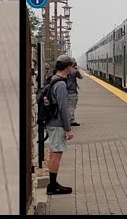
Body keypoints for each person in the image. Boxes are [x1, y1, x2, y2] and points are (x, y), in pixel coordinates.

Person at [40, 55, 76, 195]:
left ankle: (53, 183)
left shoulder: (53, 79)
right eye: (71, 66)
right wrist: (68, 129)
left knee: (55, 151)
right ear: (67, 67)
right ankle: (52, 186)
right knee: (56, 153)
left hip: (51, 122)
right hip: (57, 124)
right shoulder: (60, 84)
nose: (72, 69)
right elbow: (63, 108)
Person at [65, 58, 84, 126]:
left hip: (65, 90)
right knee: (71, 107)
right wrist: (77, 69)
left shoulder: (64, 70)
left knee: (69, 106)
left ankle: (72, 120)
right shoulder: (74, 71)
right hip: (72, 91)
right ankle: (67, 121)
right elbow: (81, 77)